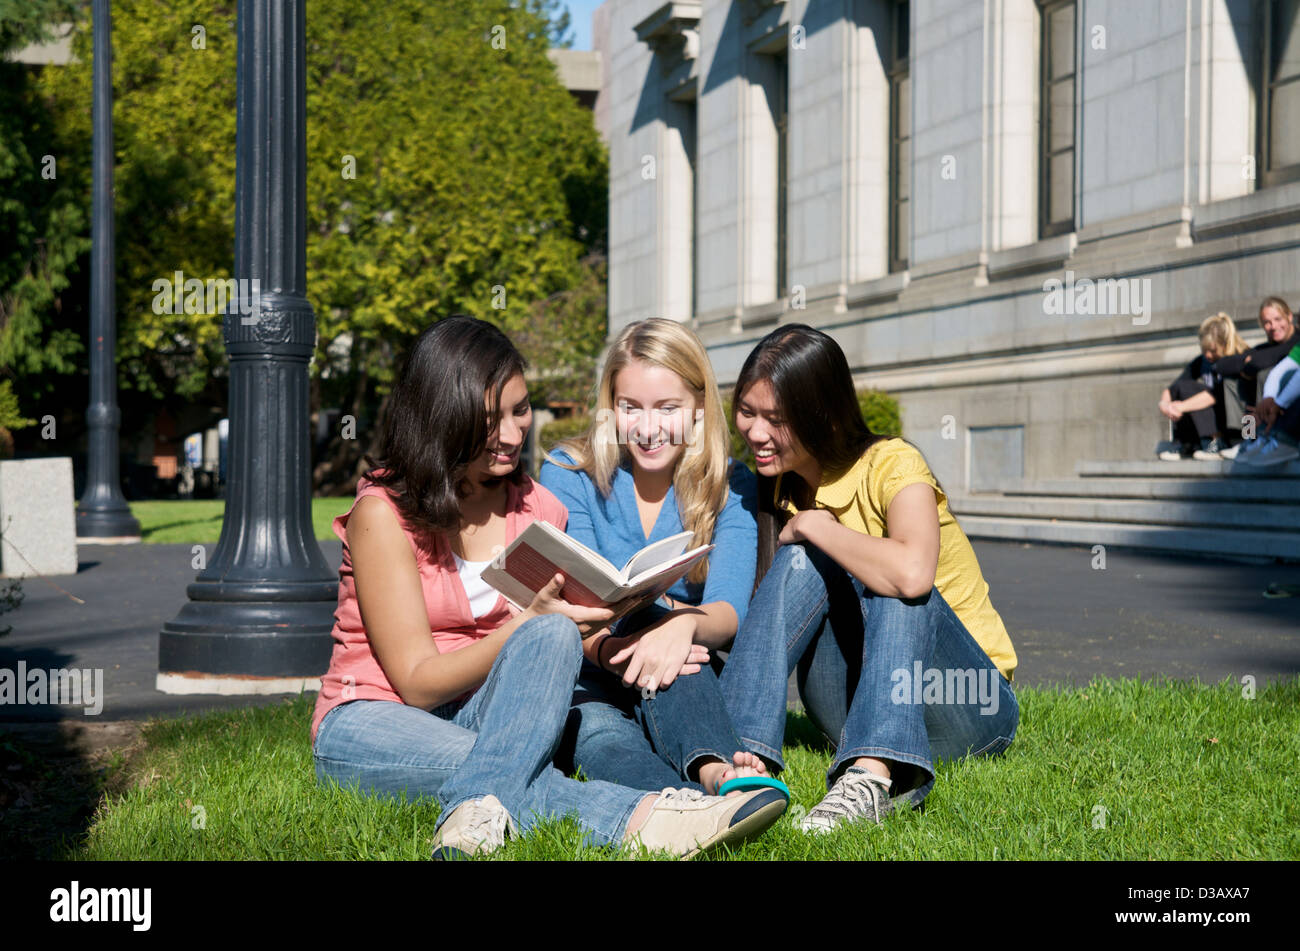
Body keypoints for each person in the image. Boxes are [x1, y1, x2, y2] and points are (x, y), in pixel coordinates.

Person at [310, 315, 787, 860]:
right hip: (376, 718)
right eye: (493, 420)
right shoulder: (384, 513)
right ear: (446, 416)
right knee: (524, 742)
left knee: (561, 660)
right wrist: (528, 626)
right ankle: (653, 818)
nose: (515, 435)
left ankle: (492, 812)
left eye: (521, 411)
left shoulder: (536, 506)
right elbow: (416, 684)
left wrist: (600, 641)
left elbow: (566, 629)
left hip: (492, 711)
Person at [717, 324, 1020, 834]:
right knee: (801, 559)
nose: (756, 432)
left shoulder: (894, 464)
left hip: (968, 704)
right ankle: (744, 759)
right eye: (747, 412)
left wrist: (816, 524)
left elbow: (911, 574)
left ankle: (871, 778)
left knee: (898, 578)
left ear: (826, 414)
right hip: (852, 700)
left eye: (778, 419)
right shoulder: (777, 490)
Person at [540, 319, 783, 800]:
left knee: (669, 635)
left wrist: (680, 626)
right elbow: (576, 603)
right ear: (610, 408)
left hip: (681, 672)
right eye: (630, 408)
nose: (648, 430)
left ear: (697, 408)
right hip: (589, 670)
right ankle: (677, 806)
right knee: (601, 739)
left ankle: (717, 774)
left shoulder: (729, 485)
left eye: (667, 409)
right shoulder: (568, 472)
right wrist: (653, 628)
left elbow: (728, 611)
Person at [1156, 313, 1249, 460]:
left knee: (1199, 394)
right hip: (1218, 415)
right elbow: (1173, 388)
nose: (1207, 355)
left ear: (1225, 344)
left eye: (1212, 350)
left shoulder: (1238, 359)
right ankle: (1188, 443)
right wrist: (1165, 404)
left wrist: (1181, 407)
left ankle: (1220, 441)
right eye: (1204, 349)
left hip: (1243, 423)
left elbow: (1214, 395)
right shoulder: (1202, 362)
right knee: (1184, 387)